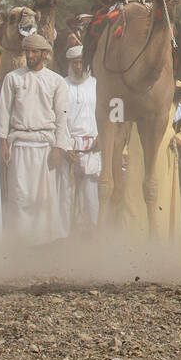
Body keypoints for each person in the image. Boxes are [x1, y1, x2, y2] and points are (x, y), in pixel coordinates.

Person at [0, 34, 71, 243]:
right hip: (19, 144)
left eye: (34, 52)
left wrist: (59, 147)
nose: (29, 55)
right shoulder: (13, 78)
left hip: (45, 146)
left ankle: (44, 245)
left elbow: (61, 117)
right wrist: (3, 143)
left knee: (44, 200)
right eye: (27, 51)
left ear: (44, 54)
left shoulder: (56, 81)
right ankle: (20, 243)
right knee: (20, 197)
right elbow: (4, 112)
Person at [61, 45, 100, 229]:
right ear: (69, 64)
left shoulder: (96, 85)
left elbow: (105, 114)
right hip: (68, 148)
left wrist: (101, 138)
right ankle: (67, 234)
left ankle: (92, 233)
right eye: (74, 63)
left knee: (91, 195)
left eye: (81, 62)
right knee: (67, 194)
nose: (78, 66)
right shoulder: (62, 85)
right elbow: (58, 118)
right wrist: (66, 146)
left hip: (92, 145)